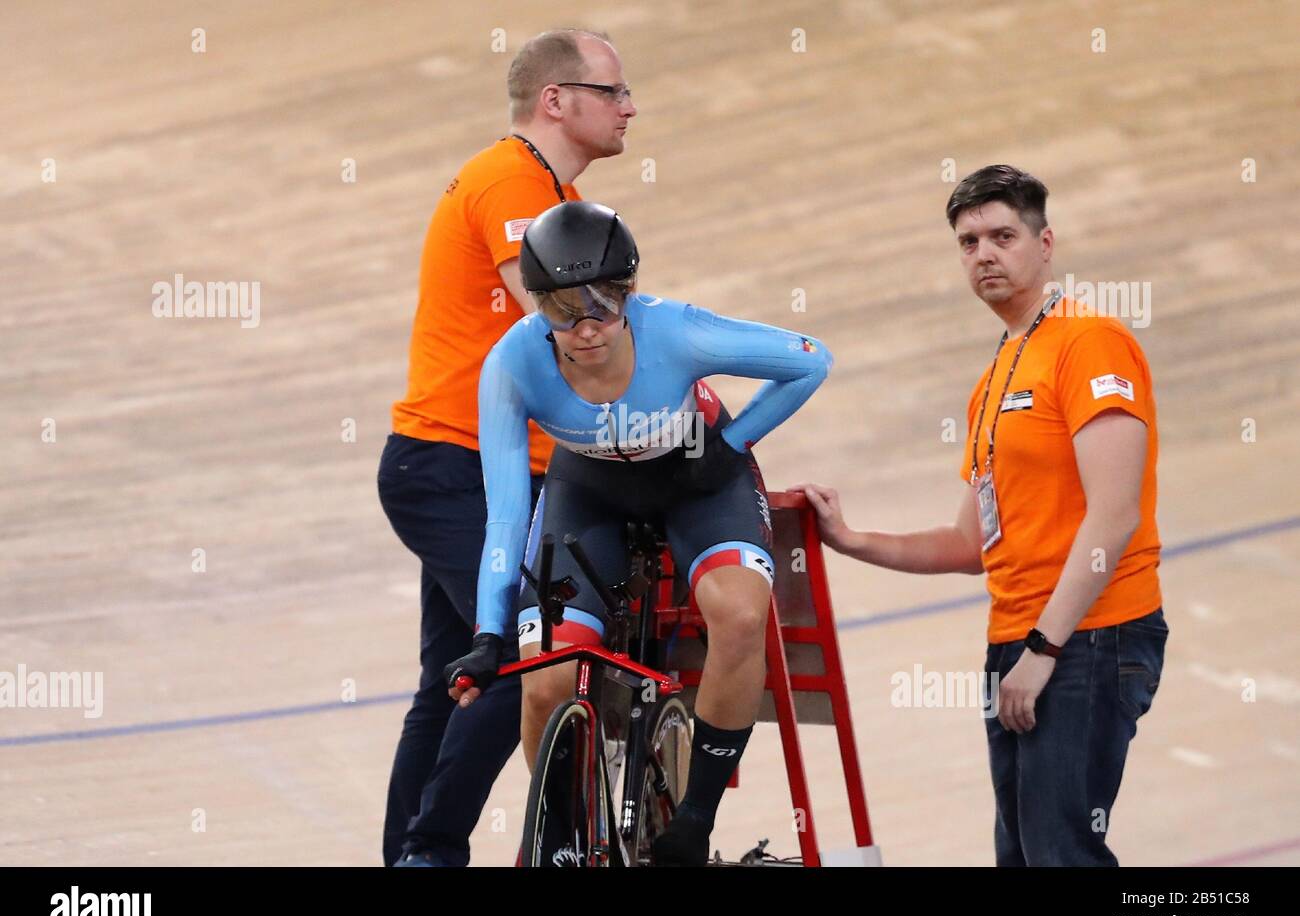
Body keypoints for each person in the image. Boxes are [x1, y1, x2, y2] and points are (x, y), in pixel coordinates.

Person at [794, 165, 1167, 866]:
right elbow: (971, 542)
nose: (984, 254)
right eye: (968, 242)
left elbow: (1113, 517)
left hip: (1087, 640)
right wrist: (851, 539)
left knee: (1060, 855)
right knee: (1024, 857)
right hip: (1021, 641)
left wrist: (1046, 649)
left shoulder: (1088, 344)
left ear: (1045, 243)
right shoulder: (997, 375)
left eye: (1002, 236)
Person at [443, 201, 833, 866]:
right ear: (534, 305)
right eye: (562, 309)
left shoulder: (675, 331)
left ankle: (695, 819)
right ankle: (561, 840)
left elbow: (811, 359)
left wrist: (732, 444)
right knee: (544, 681)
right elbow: (507, 512)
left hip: (696, 481)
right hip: (589, 491)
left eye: (602, 304)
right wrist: (486, 634)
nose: (585, 326)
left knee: (739, 617)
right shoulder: (510, 364)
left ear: (629, 293)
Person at [378, 28, 637, 867]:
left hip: (470, 468)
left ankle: (413, 855)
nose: (630, 108)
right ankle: (430, 850)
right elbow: (565, 318)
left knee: (447, 680)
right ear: (556, 99)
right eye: (613, 91)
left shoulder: (541, 185)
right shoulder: (513, 181)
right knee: (525, 660)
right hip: (456, 468)